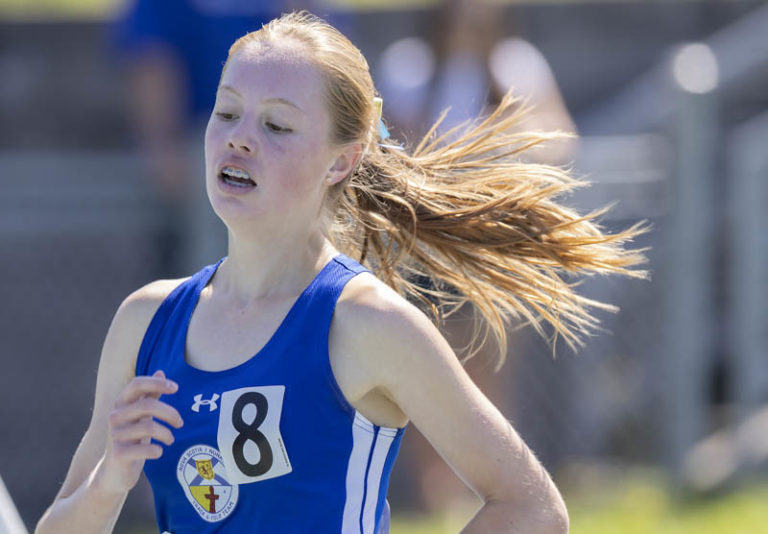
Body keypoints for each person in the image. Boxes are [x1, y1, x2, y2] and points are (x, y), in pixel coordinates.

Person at [36, 11, 647, 534]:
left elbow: (533, 510)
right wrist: (109, 481)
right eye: (226, 112)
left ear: (342, 161)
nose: (239, 140)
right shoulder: (147, 319)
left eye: (276, 125)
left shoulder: (366, 322)